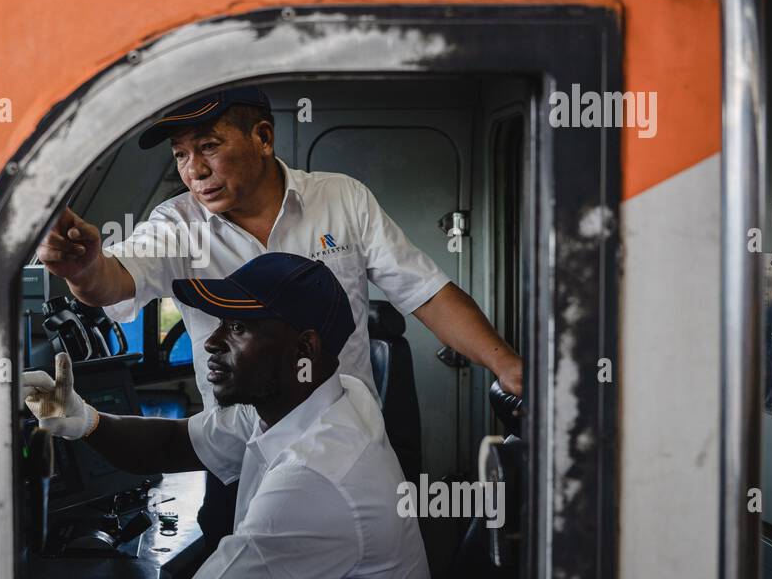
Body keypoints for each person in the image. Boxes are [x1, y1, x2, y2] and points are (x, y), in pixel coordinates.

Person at [37, 86, 521, 550]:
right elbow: (114, 280)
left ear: (263, 138)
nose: (194, 170)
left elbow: (425, 292)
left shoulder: (342, 200)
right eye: (181, 155)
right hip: (239, 454)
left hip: (345, 450)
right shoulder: (175, 224)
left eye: (209, 146)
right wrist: (82, 269)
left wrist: (506, 366)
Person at [23, 253, 433, 579]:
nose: (212, 342)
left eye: (238, 327)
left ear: (304, 348)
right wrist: (84, 420)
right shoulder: (326, 394)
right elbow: (170, 443)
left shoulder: (316, 475)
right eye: (220, 323)